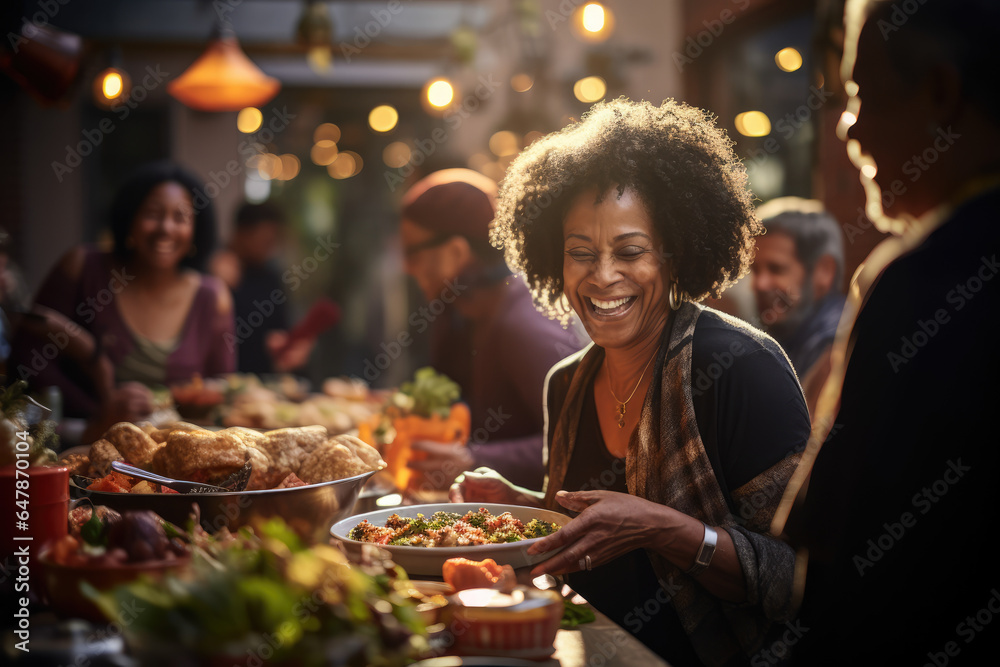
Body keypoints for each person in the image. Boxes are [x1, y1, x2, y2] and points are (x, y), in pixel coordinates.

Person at [452, 99, 811, 666]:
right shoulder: (565, 384)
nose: (602, 276)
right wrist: (517, 505)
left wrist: (663, 528)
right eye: (580, 254)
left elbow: (795, 578)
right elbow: (594, 534)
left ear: (675, 253)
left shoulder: (740, 368)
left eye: (630, 251)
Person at [770, 0, 1000, 663]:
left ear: (941, 92)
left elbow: (842, 579)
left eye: (860, 95)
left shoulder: (921, 281)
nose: (847, 128)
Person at [9, 160, 235, 442]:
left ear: (195, 232)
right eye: (153, 214)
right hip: (73, 445)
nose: (166, 227)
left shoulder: (212, 297)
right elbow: (25, 361)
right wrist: (102, 414)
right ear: (129, 220)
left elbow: (221, 391)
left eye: (181, 217)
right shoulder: (83, 268)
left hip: (171, 455)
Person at [399, 168, 587, 491]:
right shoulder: (460, 311)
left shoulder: (523, 327)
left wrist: (476, 461)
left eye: (412, 252)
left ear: (456, 252)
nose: (406, 267)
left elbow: (581, 442)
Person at [750, 197, 846, 416]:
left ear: (824, 271)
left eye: (776, 269)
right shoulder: (791, 337)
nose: (758, 284)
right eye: (754, 270)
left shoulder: (836, 349)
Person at [210, 201, 312, 374]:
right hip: (217, 377)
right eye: (265, 240)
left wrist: (288, 345)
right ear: (240, 233)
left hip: (261, 381)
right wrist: (213, 281)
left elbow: (282, 329)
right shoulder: (212, 266)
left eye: (274, 241)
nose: (271, 248)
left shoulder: (271, 278)